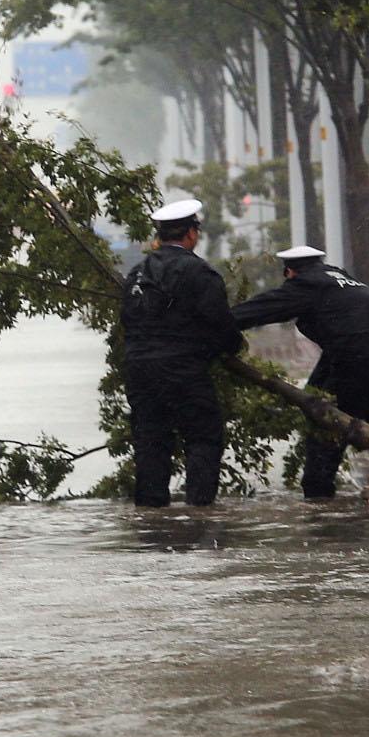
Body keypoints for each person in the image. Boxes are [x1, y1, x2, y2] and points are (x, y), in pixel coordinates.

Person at [231, 245, 369, 496]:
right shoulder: (341, 278)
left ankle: (319, 495)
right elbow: (335, 355)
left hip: (360, 357)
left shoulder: (307, 284)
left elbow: (261, 309)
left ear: (290, 272)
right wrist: (312, 394)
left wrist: (220, 322)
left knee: (326, 421)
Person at [119, 198, 246, 507]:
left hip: (138, 370)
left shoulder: (136, 273)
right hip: (182, 369)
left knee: (150, 441)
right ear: (191, 234)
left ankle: (151, 520)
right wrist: (230, 350)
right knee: (203, 436)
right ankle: (200, 514)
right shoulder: (199, 272)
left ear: (159, 236)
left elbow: (127, 321)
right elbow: (221, 325)